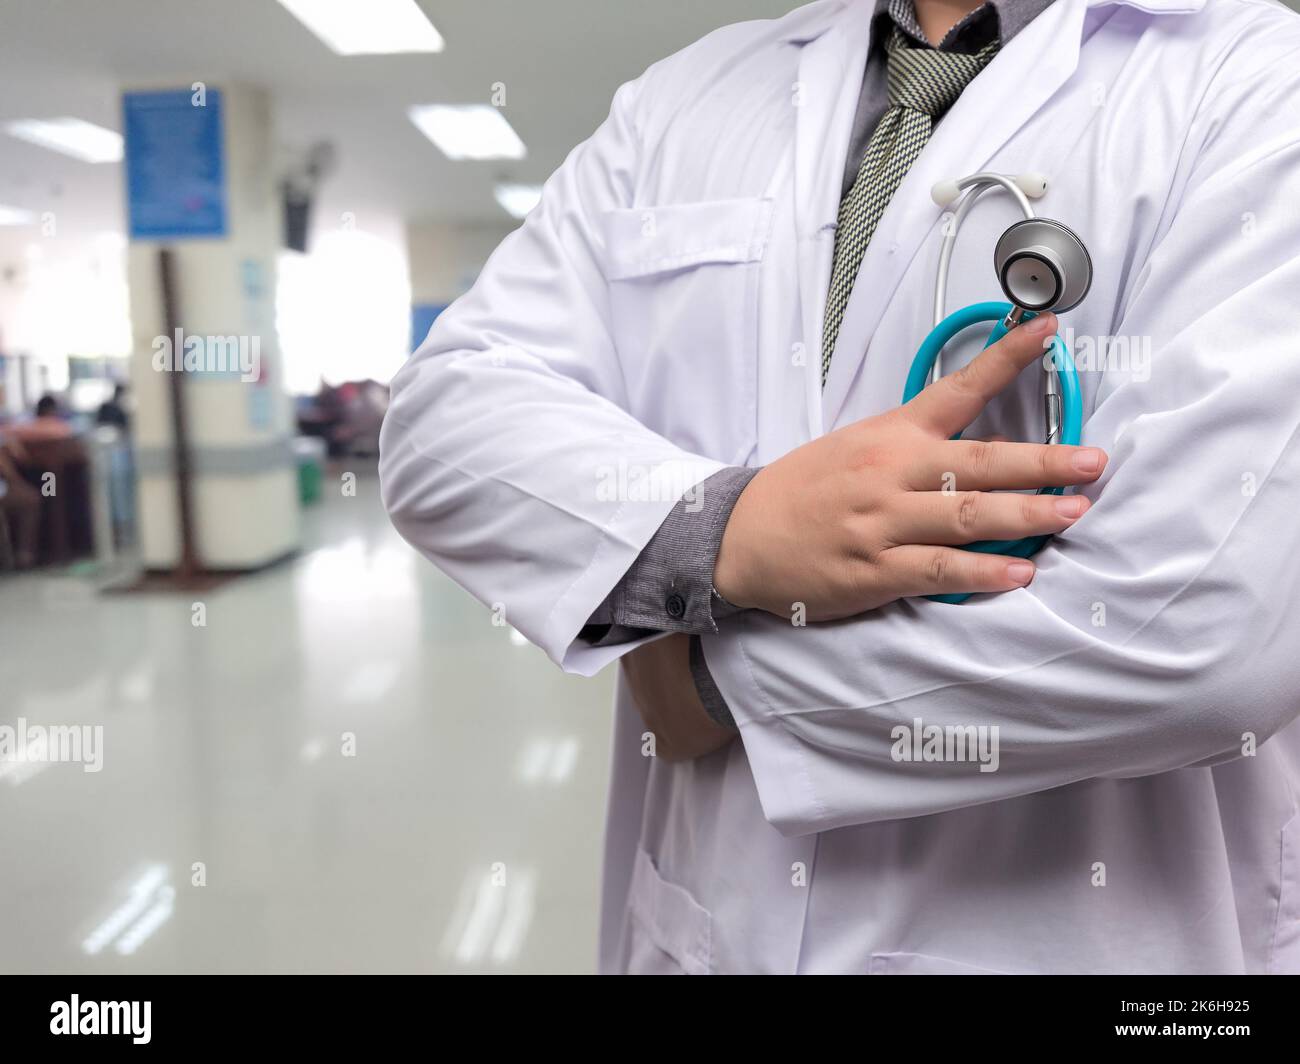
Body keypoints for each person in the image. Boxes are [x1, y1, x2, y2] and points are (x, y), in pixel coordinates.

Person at [379, 0, 1300, 973]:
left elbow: (1200, 629)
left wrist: (707, 679)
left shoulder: (1253, 78)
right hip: (713, 920)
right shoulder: (678, 101)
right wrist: (724, 530)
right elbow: (445, 418)